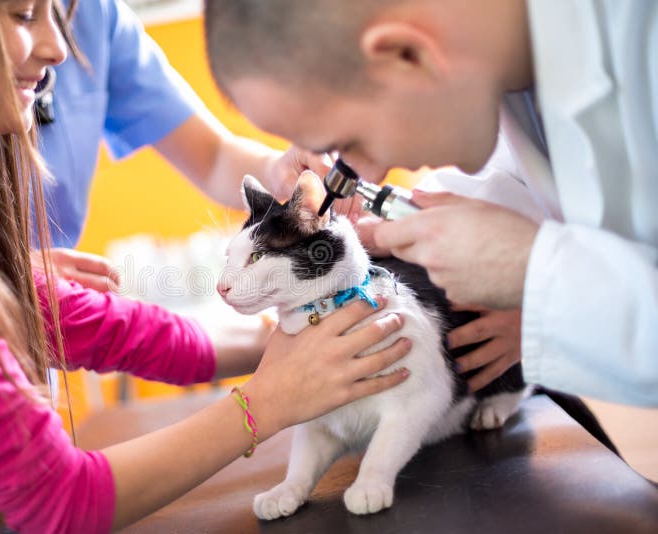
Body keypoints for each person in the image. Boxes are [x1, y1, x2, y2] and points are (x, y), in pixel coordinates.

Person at [0, 1, 413, 531]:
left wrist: (281, 342)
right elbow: (59, 499)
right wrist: (269, 400)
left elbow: (91, 323)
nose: (57, 50)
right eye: (24, 14)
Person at [202, 0, 658, 406]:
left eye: (349, 142)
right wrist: (391, 233)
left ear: (407, 54)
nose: (370, 175)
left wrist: (532, 275)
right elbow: (516, 188)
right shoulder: (499, 81)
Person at [39, 0, 332, 292]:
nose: (57, 50)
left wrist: (278, 171)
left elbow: (213, 157)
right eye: (21, 15)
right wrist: (14, 271)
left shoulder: (96, 16)